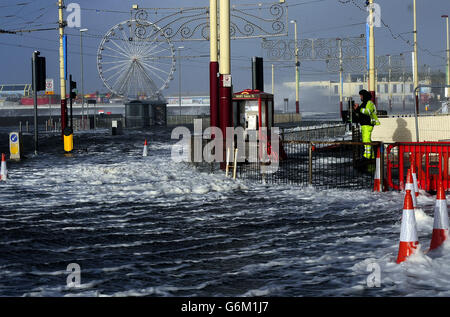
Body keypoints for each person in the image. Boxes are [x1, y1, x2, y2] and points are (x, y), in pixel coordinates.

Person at [353, 89, 380, 159]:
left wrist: (359, 108)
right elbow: (361, 112)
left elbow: (368, 111)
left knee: (366, 140)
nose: (360, 98)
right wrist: (356, 110)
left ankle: (367, 156)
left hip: (368, 124)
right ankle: (372, 155)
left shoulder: (370, 103)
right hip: (364, 124)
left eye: (361, 96)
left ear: (364, 96)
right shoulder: (363, 104)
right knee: (366, 140)